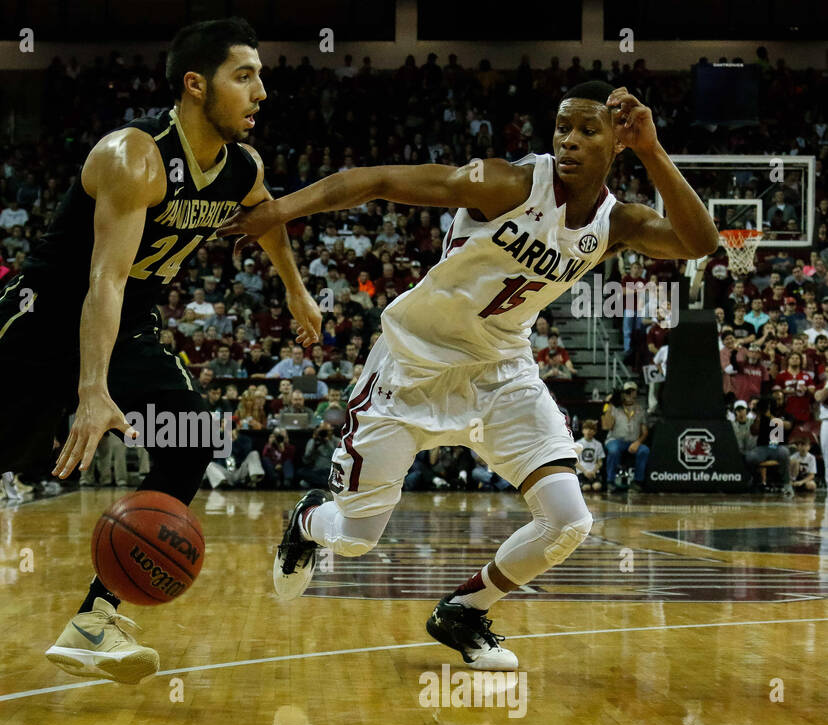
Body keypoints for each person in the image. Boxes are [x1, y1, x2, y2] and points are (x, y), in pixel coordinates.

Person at [0, 18, 320, 684]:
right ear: (196, 85)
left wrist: (296, 292)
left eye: (260, 77)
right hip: (39, 328)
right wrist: (91, 389)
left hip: (128, 324)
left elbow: (269, 218)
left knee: (193, 437)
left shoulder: (240, 168)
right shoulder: (134, 155)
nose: (261, 93)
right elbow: (102, 280)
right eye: (245, 76)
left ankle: (93, 621)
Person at [221, 80, 717, 670]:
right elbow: (378, 180)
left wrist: (654, 152)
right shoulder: (506, 183)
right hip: (413, 364)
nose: (570, 140)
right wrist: (277, 211)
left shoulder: (616, 223)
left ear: (617, 141)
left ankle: (464, 609)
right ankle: (308, 520)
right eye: (563, 127)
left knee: (567, 523)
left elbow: (700, 241)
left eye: (588, 130)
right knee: (355, 537)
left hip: (500, 370)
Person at [602, 382, 650, 490]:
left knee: (644, 450)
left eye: (632, 392)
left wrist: (638, 442)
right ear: (622, 394)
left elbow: (645, 431)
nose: (630, 395)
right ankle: (610, 481)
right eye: (627, 392)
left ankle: (638, 481)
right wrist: (609, 405)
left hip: (633, 441)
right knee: (613, 450)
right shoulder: (615, 408)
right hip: (615, 439)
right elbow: (607, 426)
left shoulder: (640, 409)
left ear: (636, 393)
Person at [574, 419, 605, 493]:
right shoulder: (578, 443)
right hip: (582, 472)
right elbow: (575, 462)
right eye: (586, 428)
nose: (588, 431)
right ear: (582, 430)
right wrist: (585, 471)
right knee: (586, 487)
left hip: (594, 472)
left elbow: (600, 462)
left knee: (597, 486)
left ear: (595, 432)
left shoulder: (598, 444)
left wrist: (594, 471)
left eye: (591, 429)